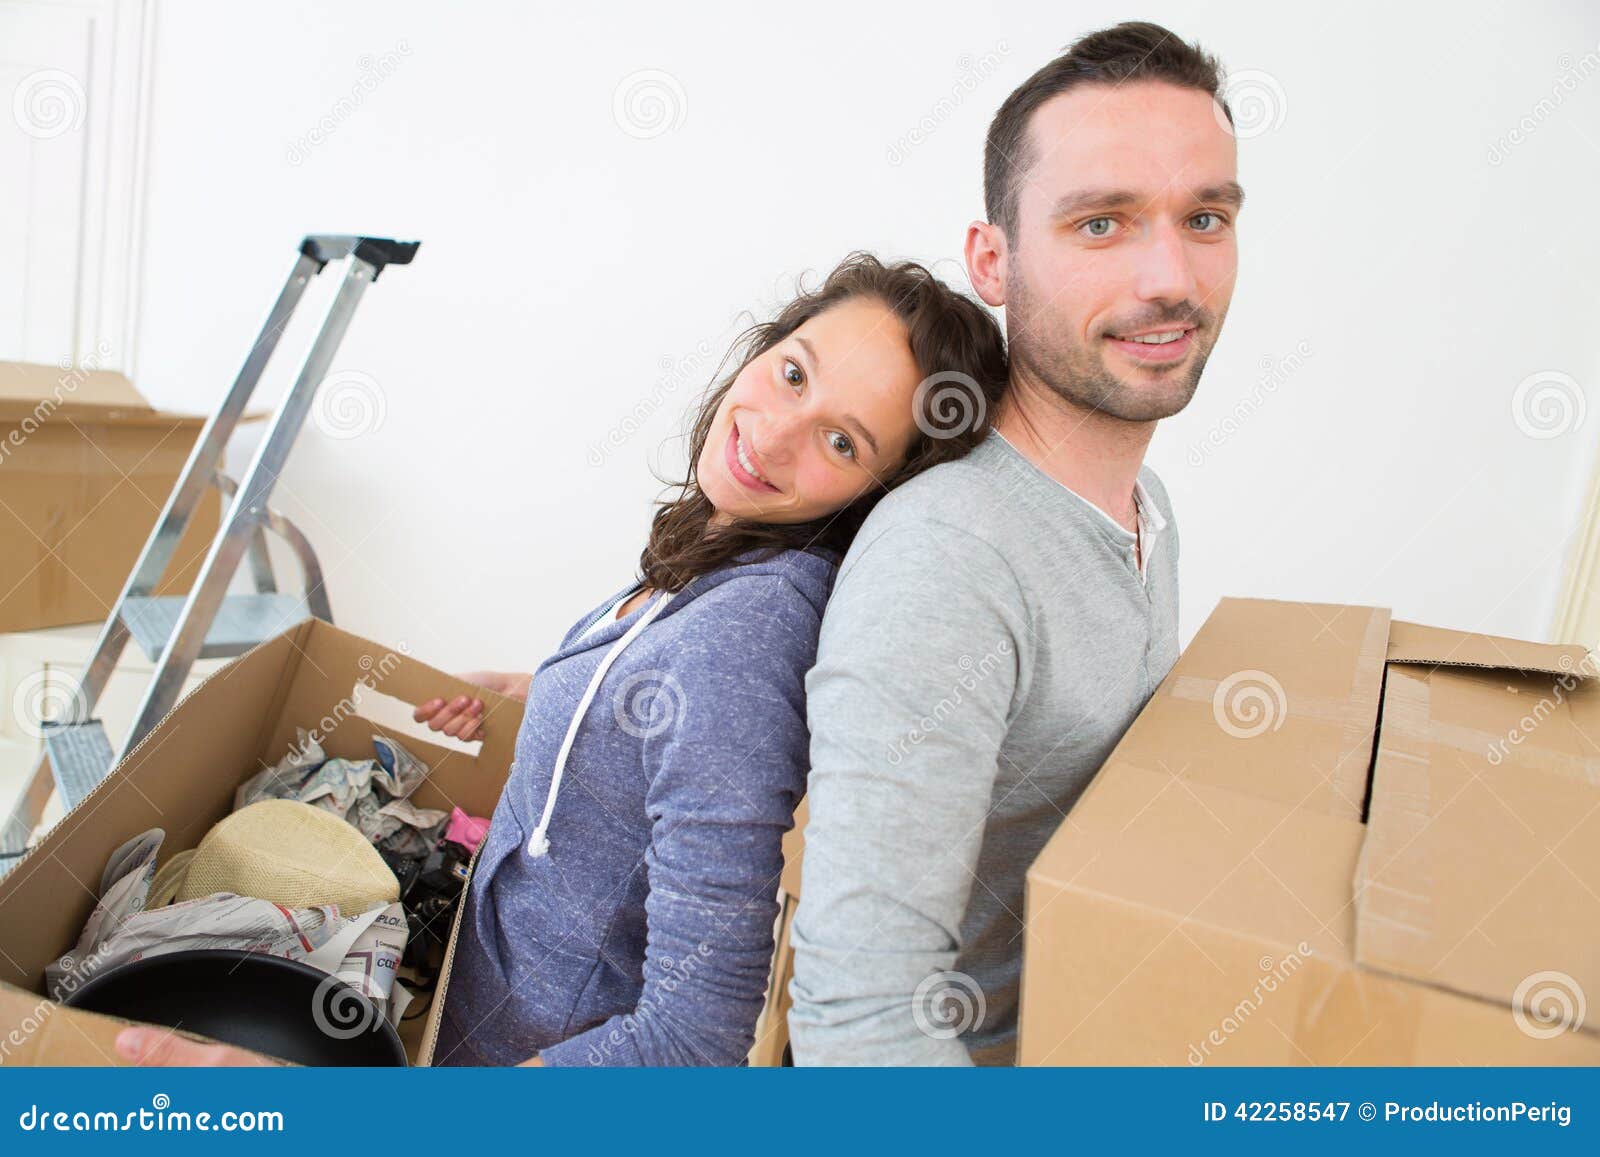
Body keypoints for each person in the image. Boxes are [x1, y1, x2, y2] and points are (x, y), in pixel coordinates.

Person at [113, 252, 1007, 1068]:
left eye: (842, 440)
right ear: (765, 346)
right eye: (793, 372)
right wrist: (549, 692)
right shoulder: (731, 547)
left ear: (874, 494)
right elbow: (664, 722)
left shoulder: (743, 638)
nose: (772, 437)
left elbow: (692, 1037)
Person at [787, 22, 1243, 1065]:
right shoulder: (949, 560)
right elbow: (857, 1019)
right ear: (993, 260)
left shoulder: (1146, 507)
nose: (1169, 277)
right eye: (1101, 224)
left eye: (1203, 216)